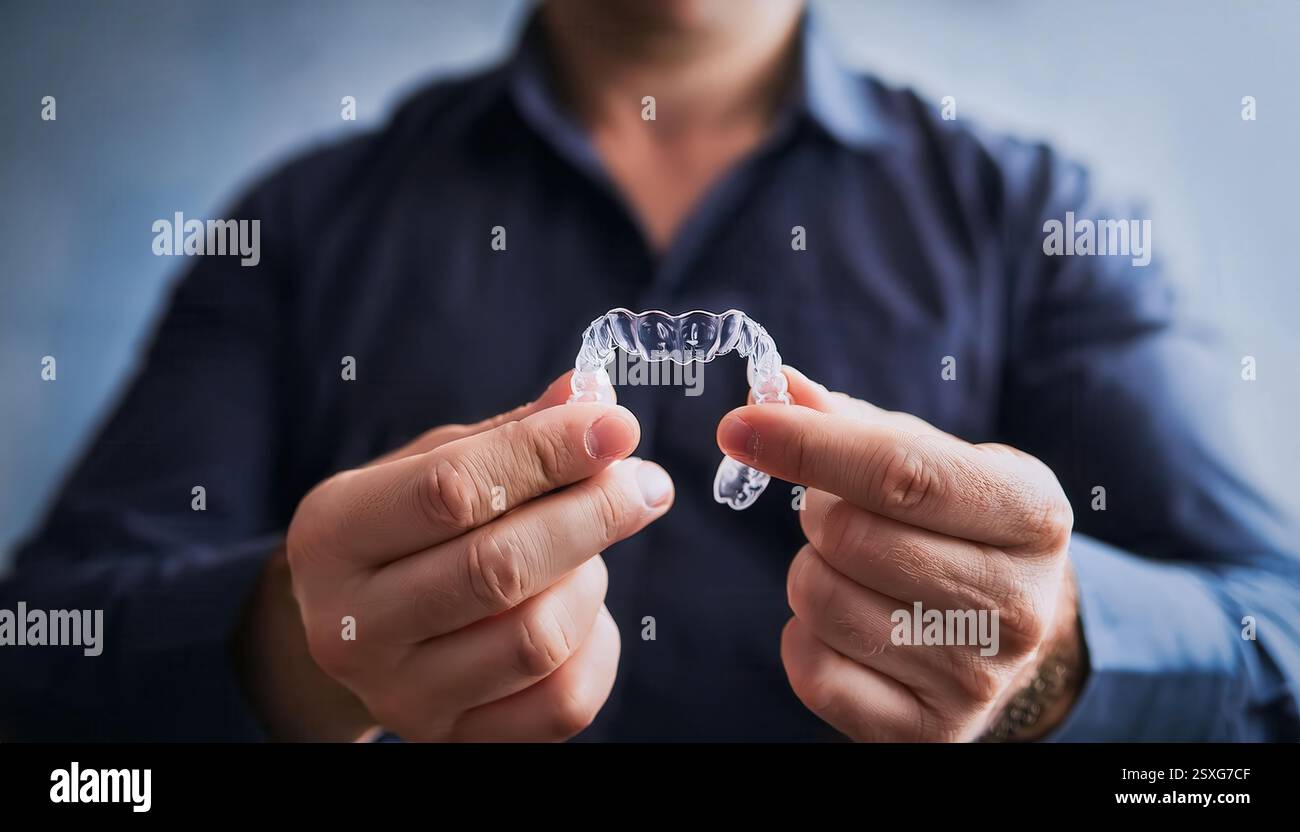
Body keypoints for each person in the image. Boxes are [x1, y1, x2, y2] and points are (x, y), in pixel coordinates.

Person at [2, 0, 1296, 742]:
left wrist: (1055, 653)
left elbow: (1274, 641)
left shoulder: (1035, 219)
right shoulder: (295, 223)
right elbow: (37, 655)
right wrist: (296, 641)